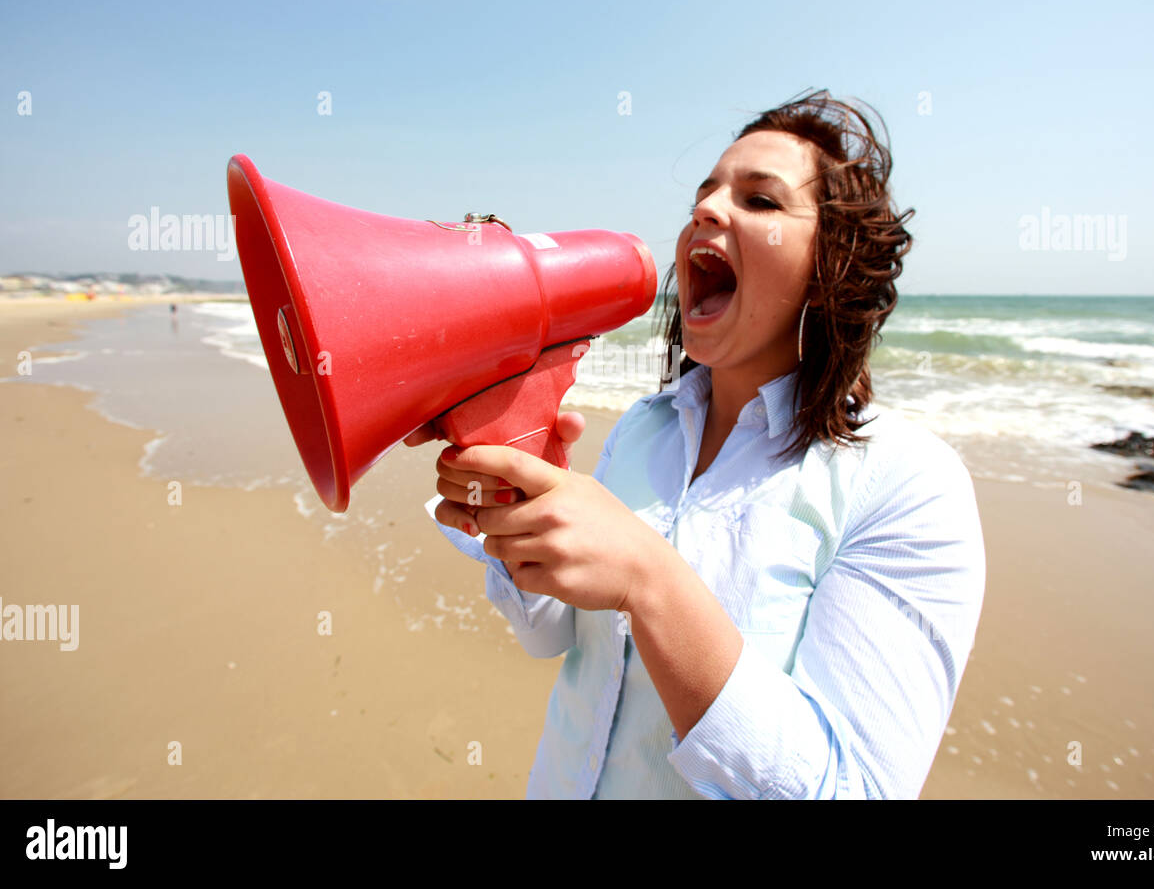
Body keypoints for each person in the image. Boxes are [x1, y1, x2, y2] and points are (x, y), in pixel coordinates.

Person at [408, 89, 986, 799]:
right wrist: (517, 501)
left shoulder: (907, 485)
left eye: (762, 202)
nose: (706, 212)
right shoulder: (645, 428)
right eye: (704, 196)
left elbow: (853, 788)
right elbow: (550, 638)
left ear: (832, 267)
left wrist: (649, 581)